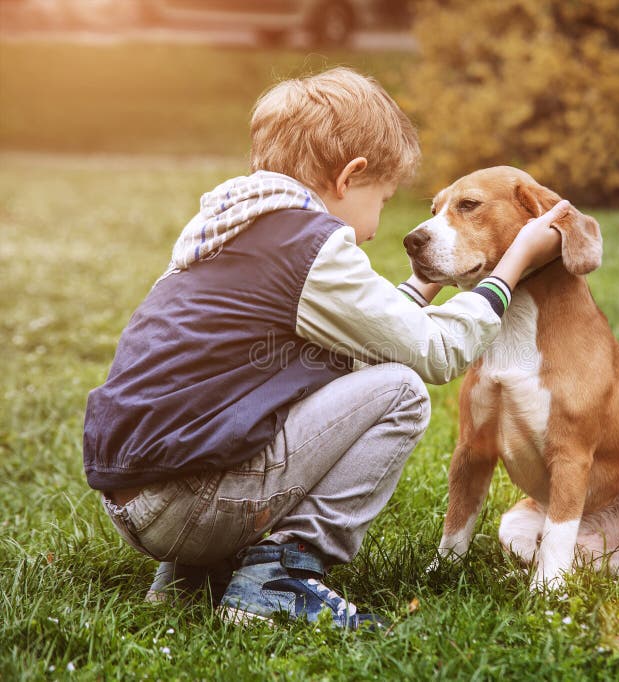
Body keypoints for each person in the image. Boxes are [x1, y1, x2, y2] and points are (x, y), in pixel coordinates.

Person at [83, 67, 567, 629]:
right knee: (401, 393)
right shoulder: (308, 246)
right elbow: (434, 353)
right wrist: (512, 266)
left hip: (136, 499)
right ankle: (279, 578)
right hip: (191, 503)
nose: (373, 229)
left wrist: (423, 284)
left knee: (328, 377)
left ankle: (192, 577)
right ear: (349, 177)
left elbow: (363, 341)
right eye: (382, 201)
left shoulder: (231, 227)